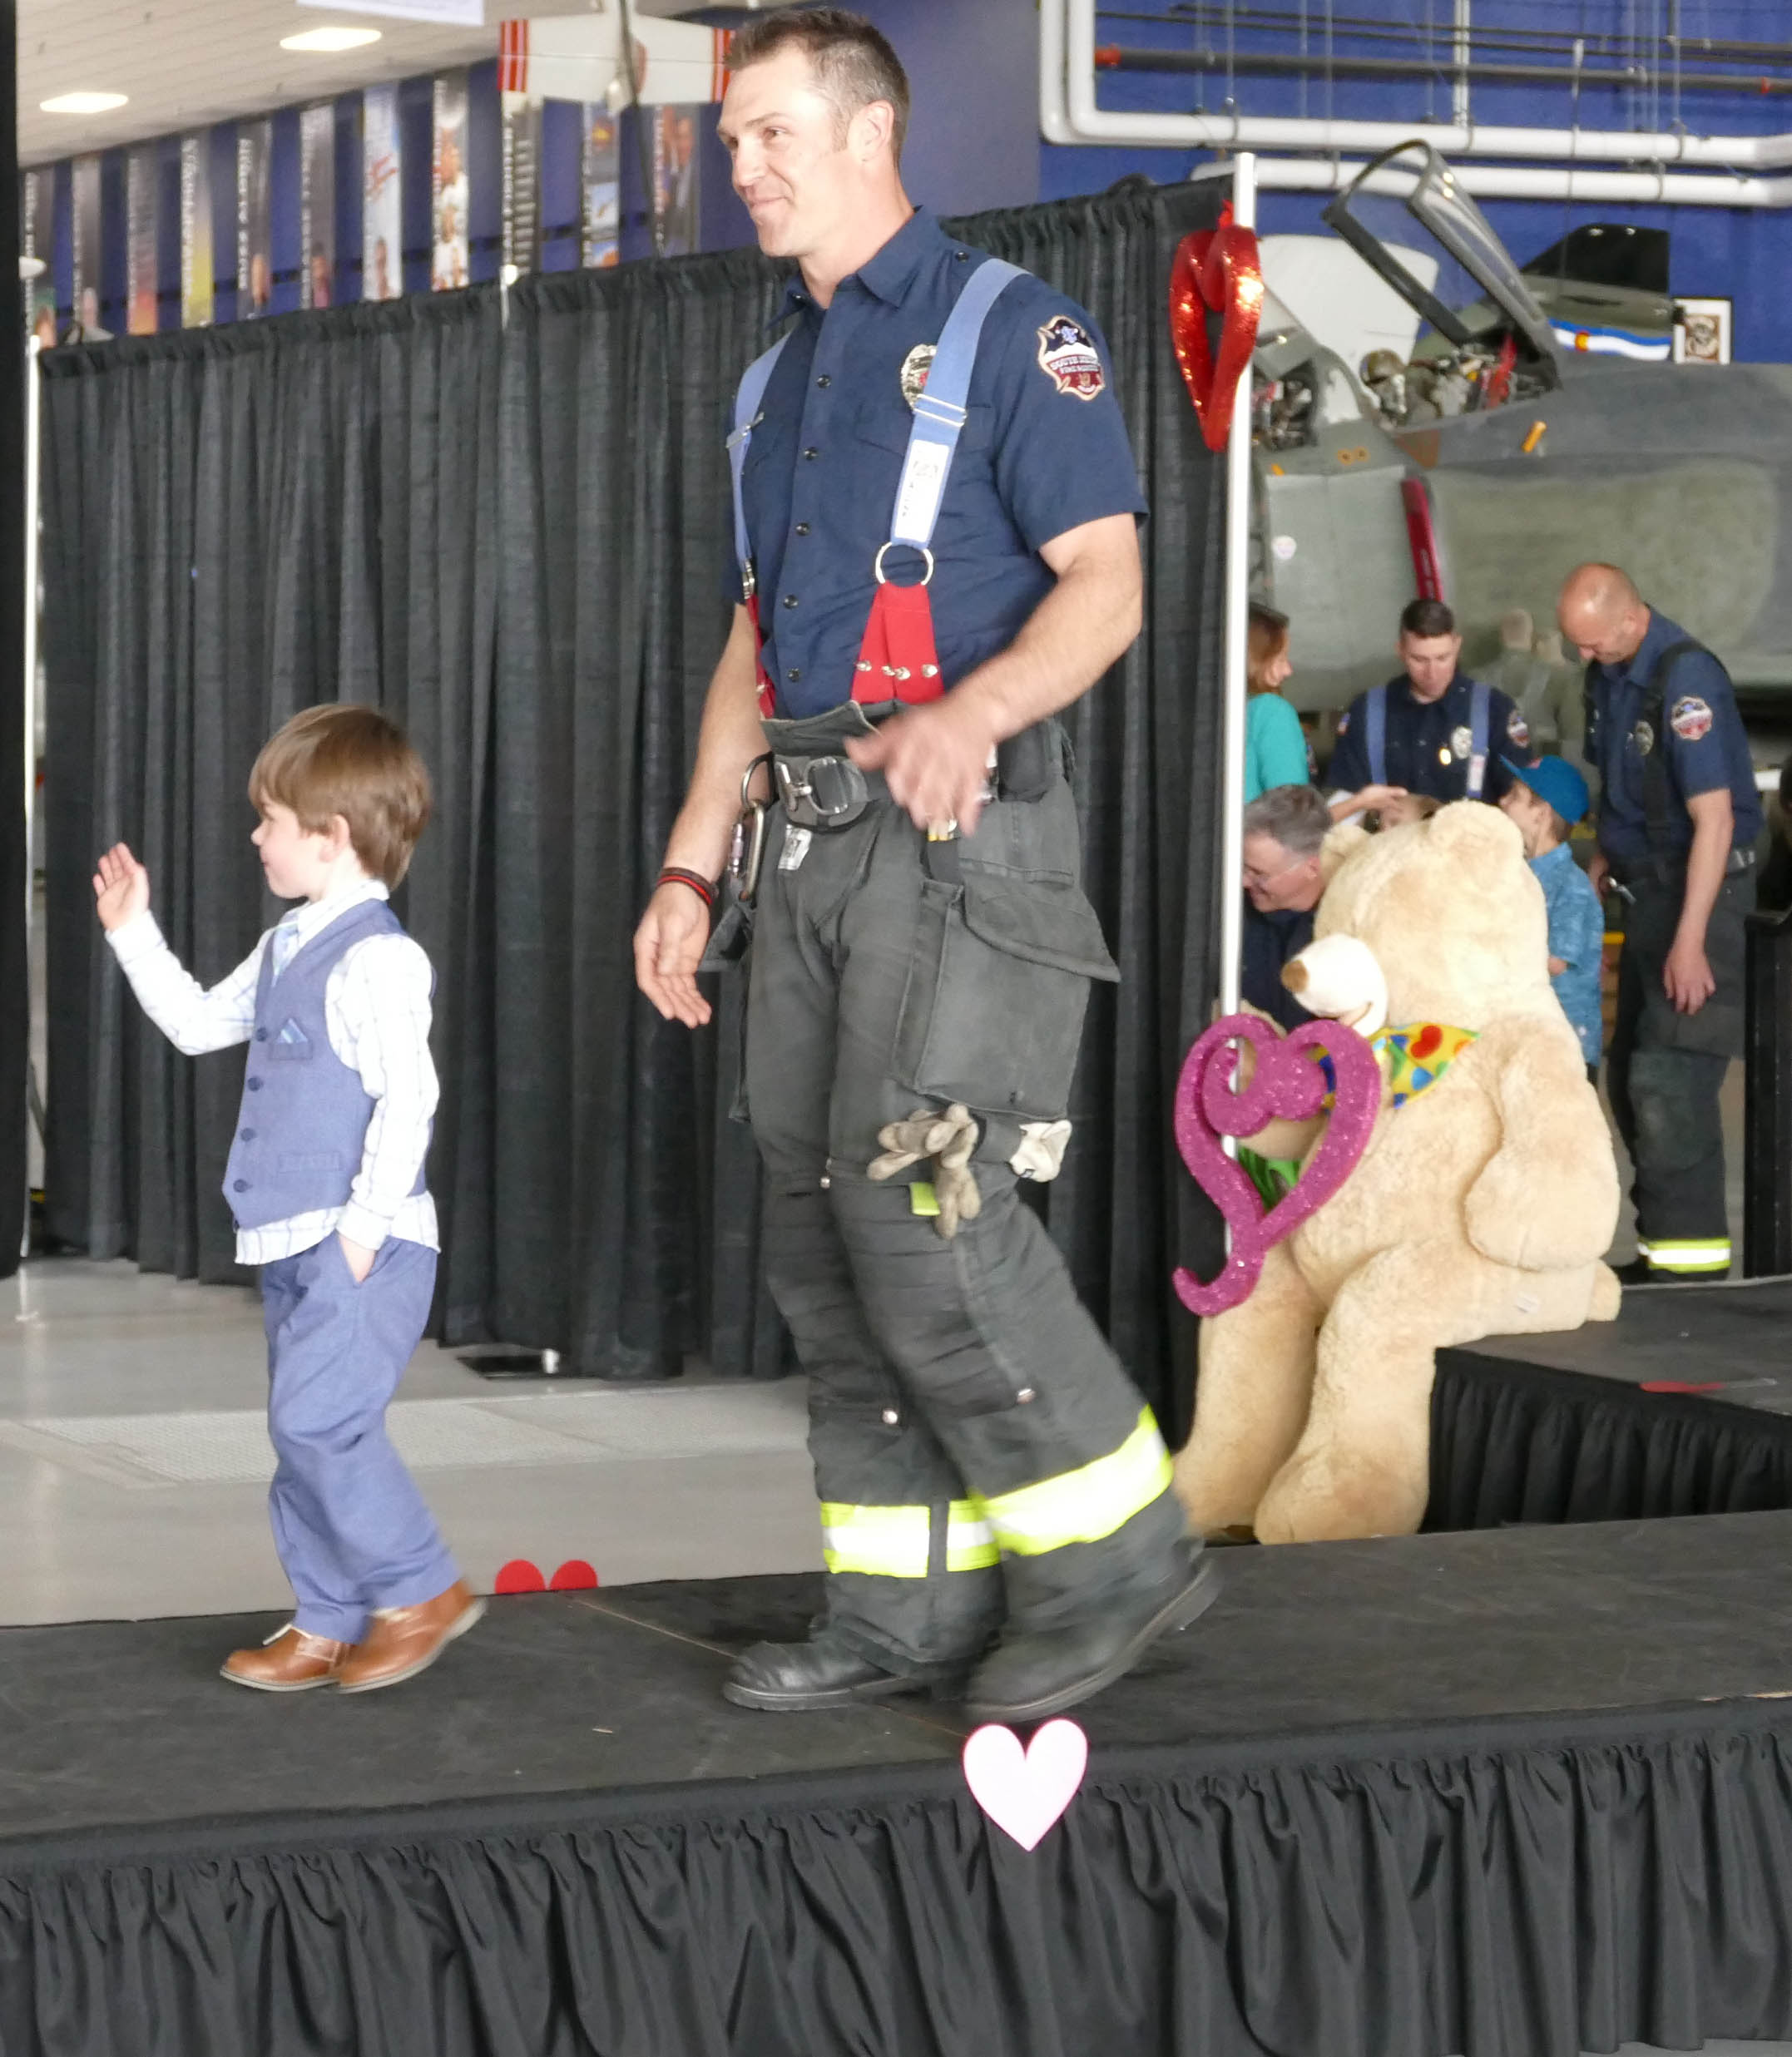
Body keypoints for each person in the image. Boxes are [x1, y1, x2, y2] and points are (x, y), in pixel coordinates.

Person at [631, 9, 1211, 1725]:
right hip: (803, 847)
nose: (740, 164)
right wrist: (686, 865)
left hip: (960, 847)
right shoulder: (778, 374)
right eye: (732, 138)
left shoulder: (1012, 332)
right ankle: (903, 1614)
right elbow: (758, 644)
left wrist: (977, 708)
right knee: (820, 1244)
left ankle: (1122, 1560)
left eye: (767, 132)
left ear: (871, 132)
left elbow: (1106, 583)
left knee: (932, 1221)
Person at [92, 705, 481, 1691]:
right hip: (290, 1240)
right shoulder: (286, 947)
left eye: (270, 819)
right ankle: (327, 1621)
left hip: (366, 1244)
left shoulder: (380, 958)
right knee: (300, 1434)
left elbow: (411, 1098)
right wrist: (132, 930)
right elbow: (193, 1024)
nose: (257, 836)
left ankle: (420, 1587)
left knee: (320, 1426)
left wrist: (359, 1235)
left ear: (331, 834)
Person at [1558, 561, 1761, 1283]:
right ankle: (1664, 1248)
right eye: (1575, 644)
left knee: (1668, 1080)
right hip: (1645, 893)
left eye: (1593, 643)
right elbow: (1624, 784)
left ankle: (1693, 1273)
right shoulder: (1610, 674)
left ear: (1628, 619)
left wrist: (1690, 942)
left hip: (1700, 897)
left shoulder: (1686, 681)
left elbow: (1715, 820)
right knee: (1628, 1082)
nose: (1583, 656)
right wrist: (1604, 858)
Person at [1328, 596, 1532, 807]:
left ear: (1457, 646)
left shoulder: (1495, 711)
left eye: (1442, 658)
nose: (1432, 673)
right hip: (1389, 837)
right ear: (1400, 651)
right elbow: (1344, 802)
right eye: (1419, 659)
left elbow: (1520, 800)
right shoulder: (1366, 713)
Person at [1497, 755, 1605, 1080]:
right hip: (1528, 1036)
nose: (1502, 801)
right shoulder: (1517, 874)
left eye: (1515, 796)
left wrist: (1490, 949)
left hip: (1564, 1046)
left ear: (1541, 815)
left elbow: (1555, 961)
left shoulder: (1571, 886)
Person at [1240, 784, 1329, 1031]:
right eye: (1242, 867)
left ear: (1312, 868)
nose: (1244, 882)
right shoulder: (1229, 912)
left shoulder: (1338, 930)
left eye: (1259, 874)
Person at [1244, 606, 1311, 803]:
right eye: (1281, 659)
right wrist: (1359, 802)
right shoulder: (1271, 711)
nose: (1288, 670)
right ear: (1255, 660)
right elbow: (1290, 810)